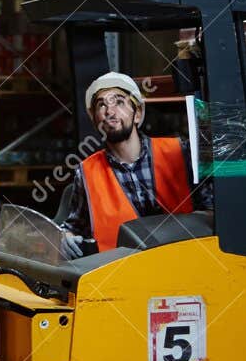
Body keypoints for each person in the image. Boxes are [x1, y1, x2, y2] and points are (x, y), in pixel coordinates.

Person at [61, 72, 209, 258]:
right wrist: (65, 237)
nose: (110, 111)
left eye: (119, 102)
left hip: (186, 266)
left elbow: (210, 210)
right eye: (102, 105)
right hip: (118, 277)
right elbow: (72, 227)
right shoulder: (86, 172)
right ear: (95, 120)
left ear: (137, 114)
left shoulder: (179, 152)